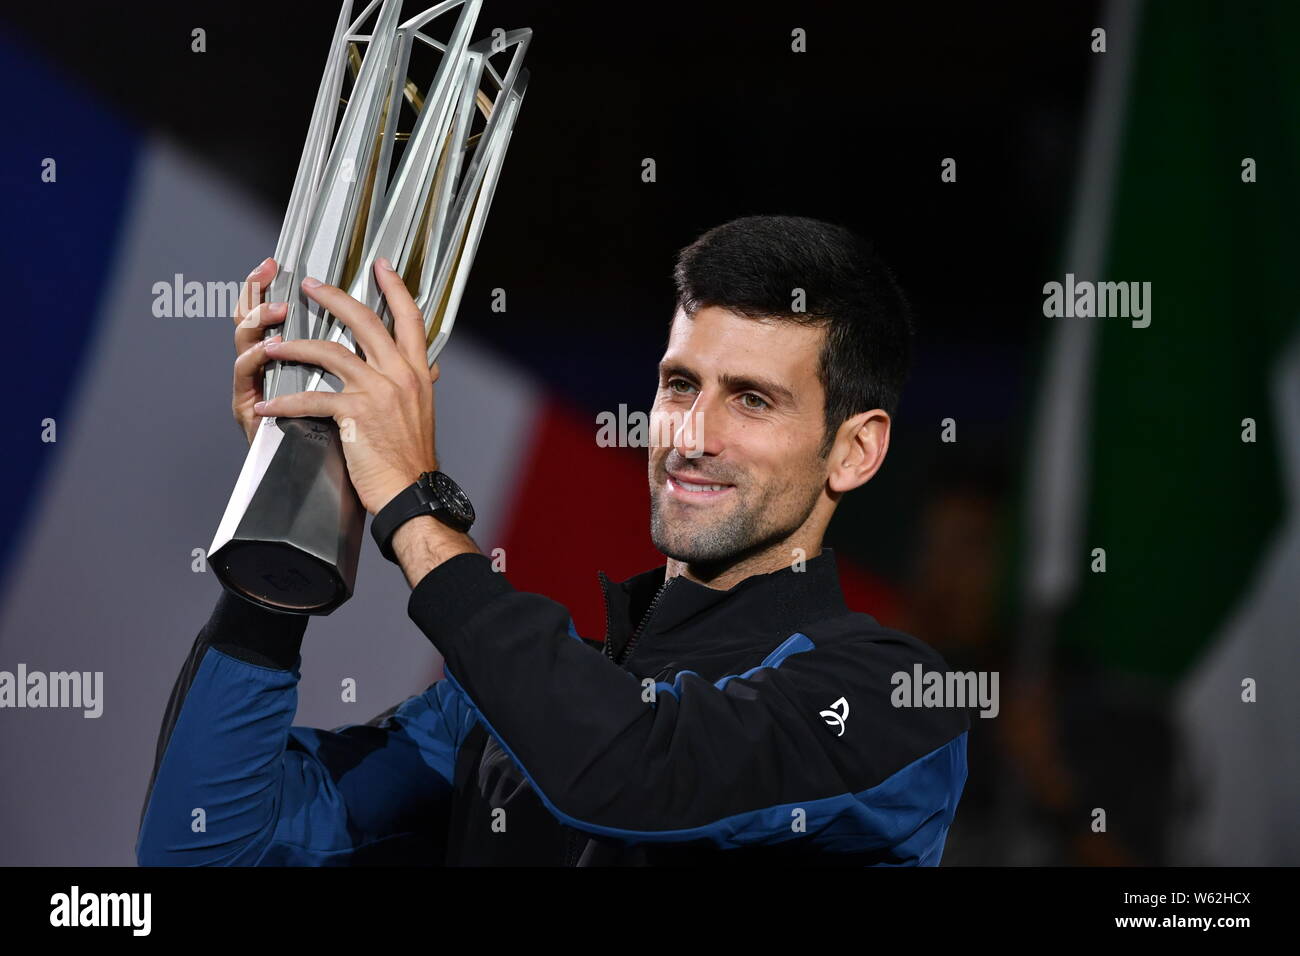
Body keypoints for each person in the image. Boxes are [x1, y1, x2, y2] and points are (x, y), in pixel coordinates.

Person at [136, 214, 969, 866]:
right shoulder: (502, 709)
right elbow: (203, 850)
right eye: (681, 384)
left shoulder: (894, 696)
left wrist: (412, 504)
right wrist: (292, 519)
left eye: (752, 400)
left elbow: (631, 776)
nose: (692, 434)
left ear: (855, 450)